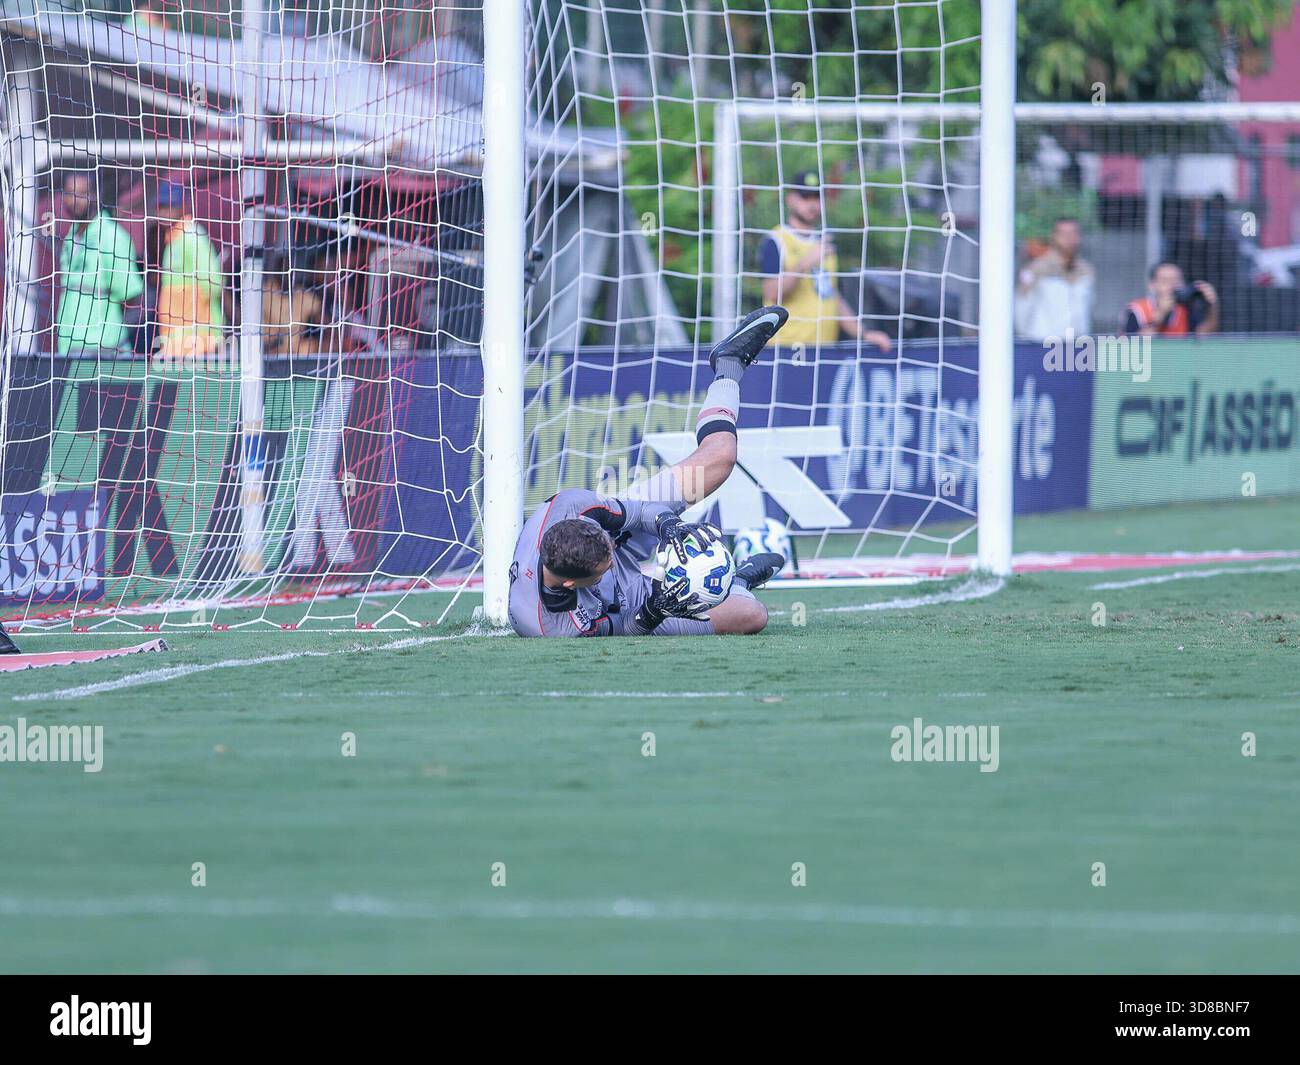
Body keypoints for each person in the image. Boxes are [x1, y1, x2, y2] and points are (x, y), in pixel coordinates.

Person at [509, 306, 792, 638]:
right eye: (604, 570)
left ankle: (729, 364)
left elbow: (638, 512)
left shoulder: (572, 507)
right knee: (751, 615)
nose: (612, 560)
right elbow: (626, 626)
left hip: (619, 531)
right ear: (572, 584)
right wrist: (652, 610)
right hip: (628, 603)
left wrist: (666, 522)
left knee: (720, 458)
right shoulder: (554, 626)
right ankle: (737, 580)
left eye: (607, 554)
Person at [758, 170, 891, 354]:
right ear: (791, 200)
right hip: (787, 351)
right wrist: (805, 263)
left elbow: (831, 296)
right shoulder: (776, 240)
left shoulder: (824, 243)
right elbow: (772, 292)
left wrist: (864, 333)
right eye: (806, 198)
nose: (812, 205)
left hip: (824, 352)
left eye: (817, 198)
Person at [56, 172, 144, 355]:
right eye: (69, 194)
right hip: (68, 345)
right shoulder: (70, 237)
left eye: (81, 193)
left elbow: (130, 294)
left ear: (95, 195)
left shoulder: (111, 236)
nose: (74, 200)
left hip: (102, 348)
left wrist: (103, 326)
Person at [152, 179, 227, 359]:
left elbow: (213, 284)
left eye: (170, 205)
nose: (163, 211)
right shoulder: (172, 238)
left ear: (184, 206)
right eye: (160, 205)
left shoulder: (192, 236)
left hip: (198, 342)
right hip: (176, 342)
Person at [1015, 217, 1094, 339]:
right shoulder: (1035, 269)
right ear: (1053, 237)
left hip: (1078, 347)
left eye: (1073, 233)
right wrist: (1028, 343)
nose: (1069, 238)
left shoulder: (1086, 271)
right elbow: (1021, 309)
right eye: (1064, 234)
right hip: (1041, 347)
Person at [1121, 262, 1218, 337]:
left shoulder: (1184, 308)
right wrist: (1161, 314)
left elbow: (1203, 336)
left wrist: (1212, 305)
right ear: (1152, 285)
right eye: (1165, 281)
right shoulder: (1138, 309)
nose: (1172, 286)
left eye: (1177, 280)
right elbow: (1134, 344)